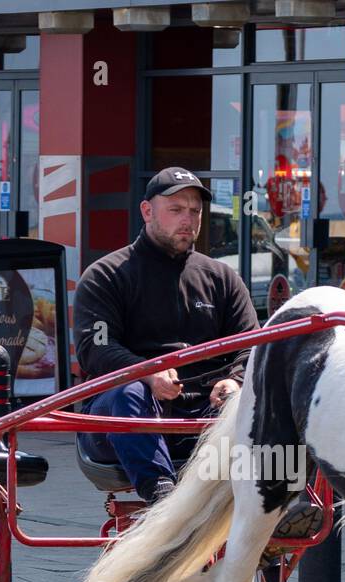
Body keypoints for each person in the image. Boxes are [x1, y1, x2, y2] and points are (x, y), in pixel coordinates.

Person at [73, 167, 258, 503]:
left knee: (266, 403)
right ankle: (163, 499)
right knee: (129, 390)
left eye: (194, 211)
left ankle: (282, 515)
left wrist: (236, 380)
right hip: (120, 419)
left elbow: (252, 345)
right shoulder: (105, 275)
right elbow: (94, 348)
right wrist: (147, 372)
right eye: (175, 210)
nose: (187, 219)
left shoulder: (223, 278)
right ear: (147, 211)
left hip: (205, 415)